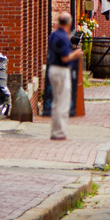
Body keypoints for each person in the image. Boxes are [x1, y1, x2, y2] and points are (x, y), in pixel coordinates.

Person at [47, 12, 83, 140]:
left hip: (52, 69)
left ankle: (55, 130)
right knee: (63, 102)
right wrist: (76, 54)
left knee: (56, 101)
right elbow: (65, 58)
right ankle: (59, 133)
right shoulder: (63, 38)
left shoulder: (54, 35)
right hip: (61, 71)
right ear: (69, 23)